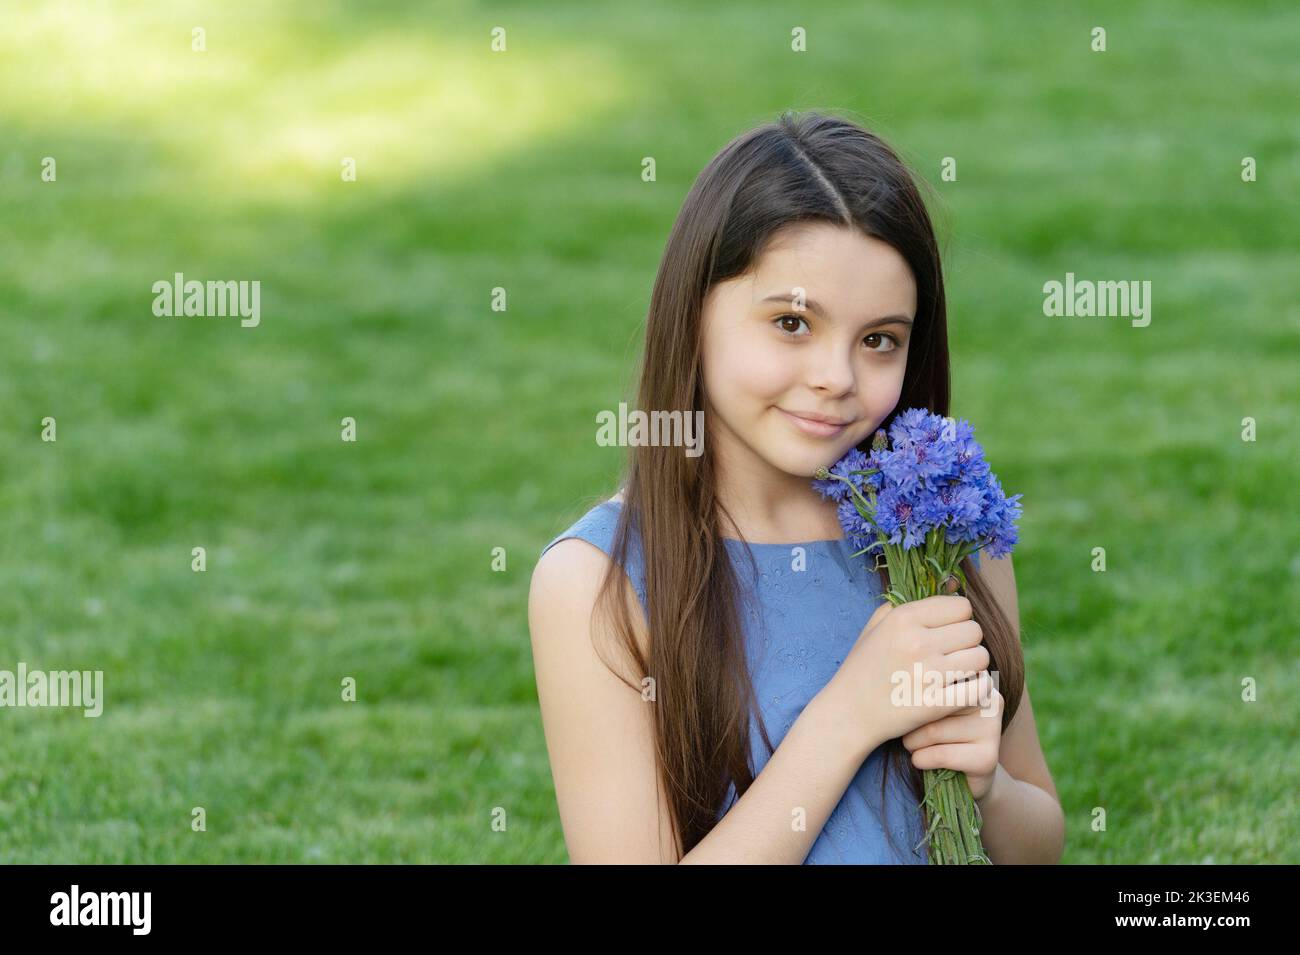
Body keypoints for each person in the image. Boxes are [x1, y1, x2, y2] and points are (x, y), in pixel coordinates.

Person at [528, 109, 1064, 864]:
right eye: (791, 323)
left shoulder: (940, 537)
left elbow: (1040, 843)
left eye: (879, 339)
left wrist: (990, 789)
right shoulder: (599, 583)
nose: (836, 378)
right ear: (695, 314)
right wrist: (849, 715)